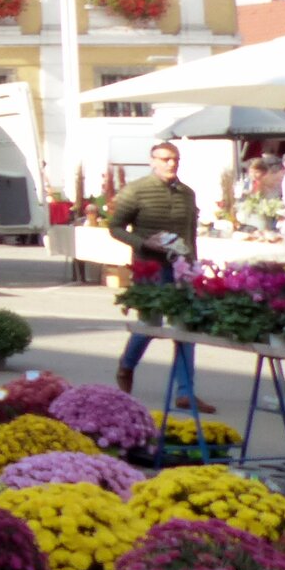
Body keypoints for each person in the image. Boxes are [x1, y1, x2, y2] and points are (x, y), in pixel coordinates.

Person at [110, 141, 209, 407]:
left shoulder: (187, 193)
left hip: (181, 268)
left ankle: (185, 392)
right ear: (152, 160)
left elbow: (191, 233)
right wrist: (143, 244)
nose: (170, 164)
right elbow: (115, 227)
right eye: (164, 159)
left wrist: (193, 266)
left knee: (185, 327)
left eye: (174, 159)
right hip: (150, 268)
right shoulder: (136, 191)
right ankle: (126, 365)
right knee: (150, 325)